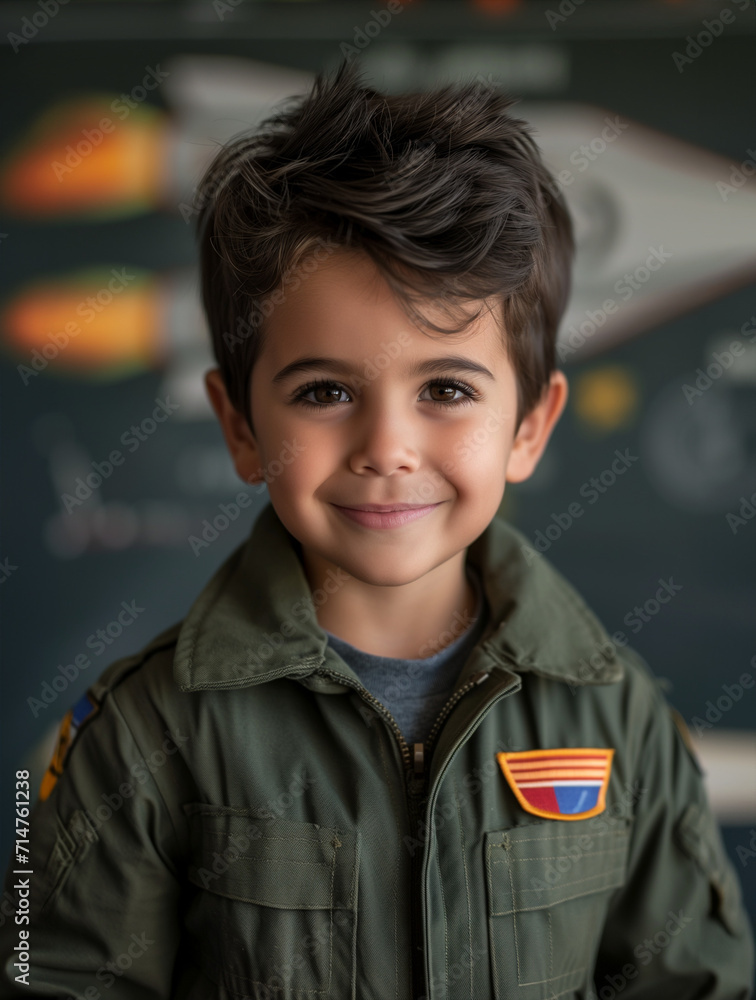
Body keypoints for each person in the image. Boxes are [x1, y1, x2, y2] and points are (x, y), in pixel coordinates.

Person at [0, 58, 752, 1000]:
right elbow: (48, 976)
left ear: (530, 426)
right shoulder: (143, 730)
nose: (387, 447)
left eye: (446, 389)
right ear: (239, 427)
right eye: (325, 392)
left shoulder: (620, 721)